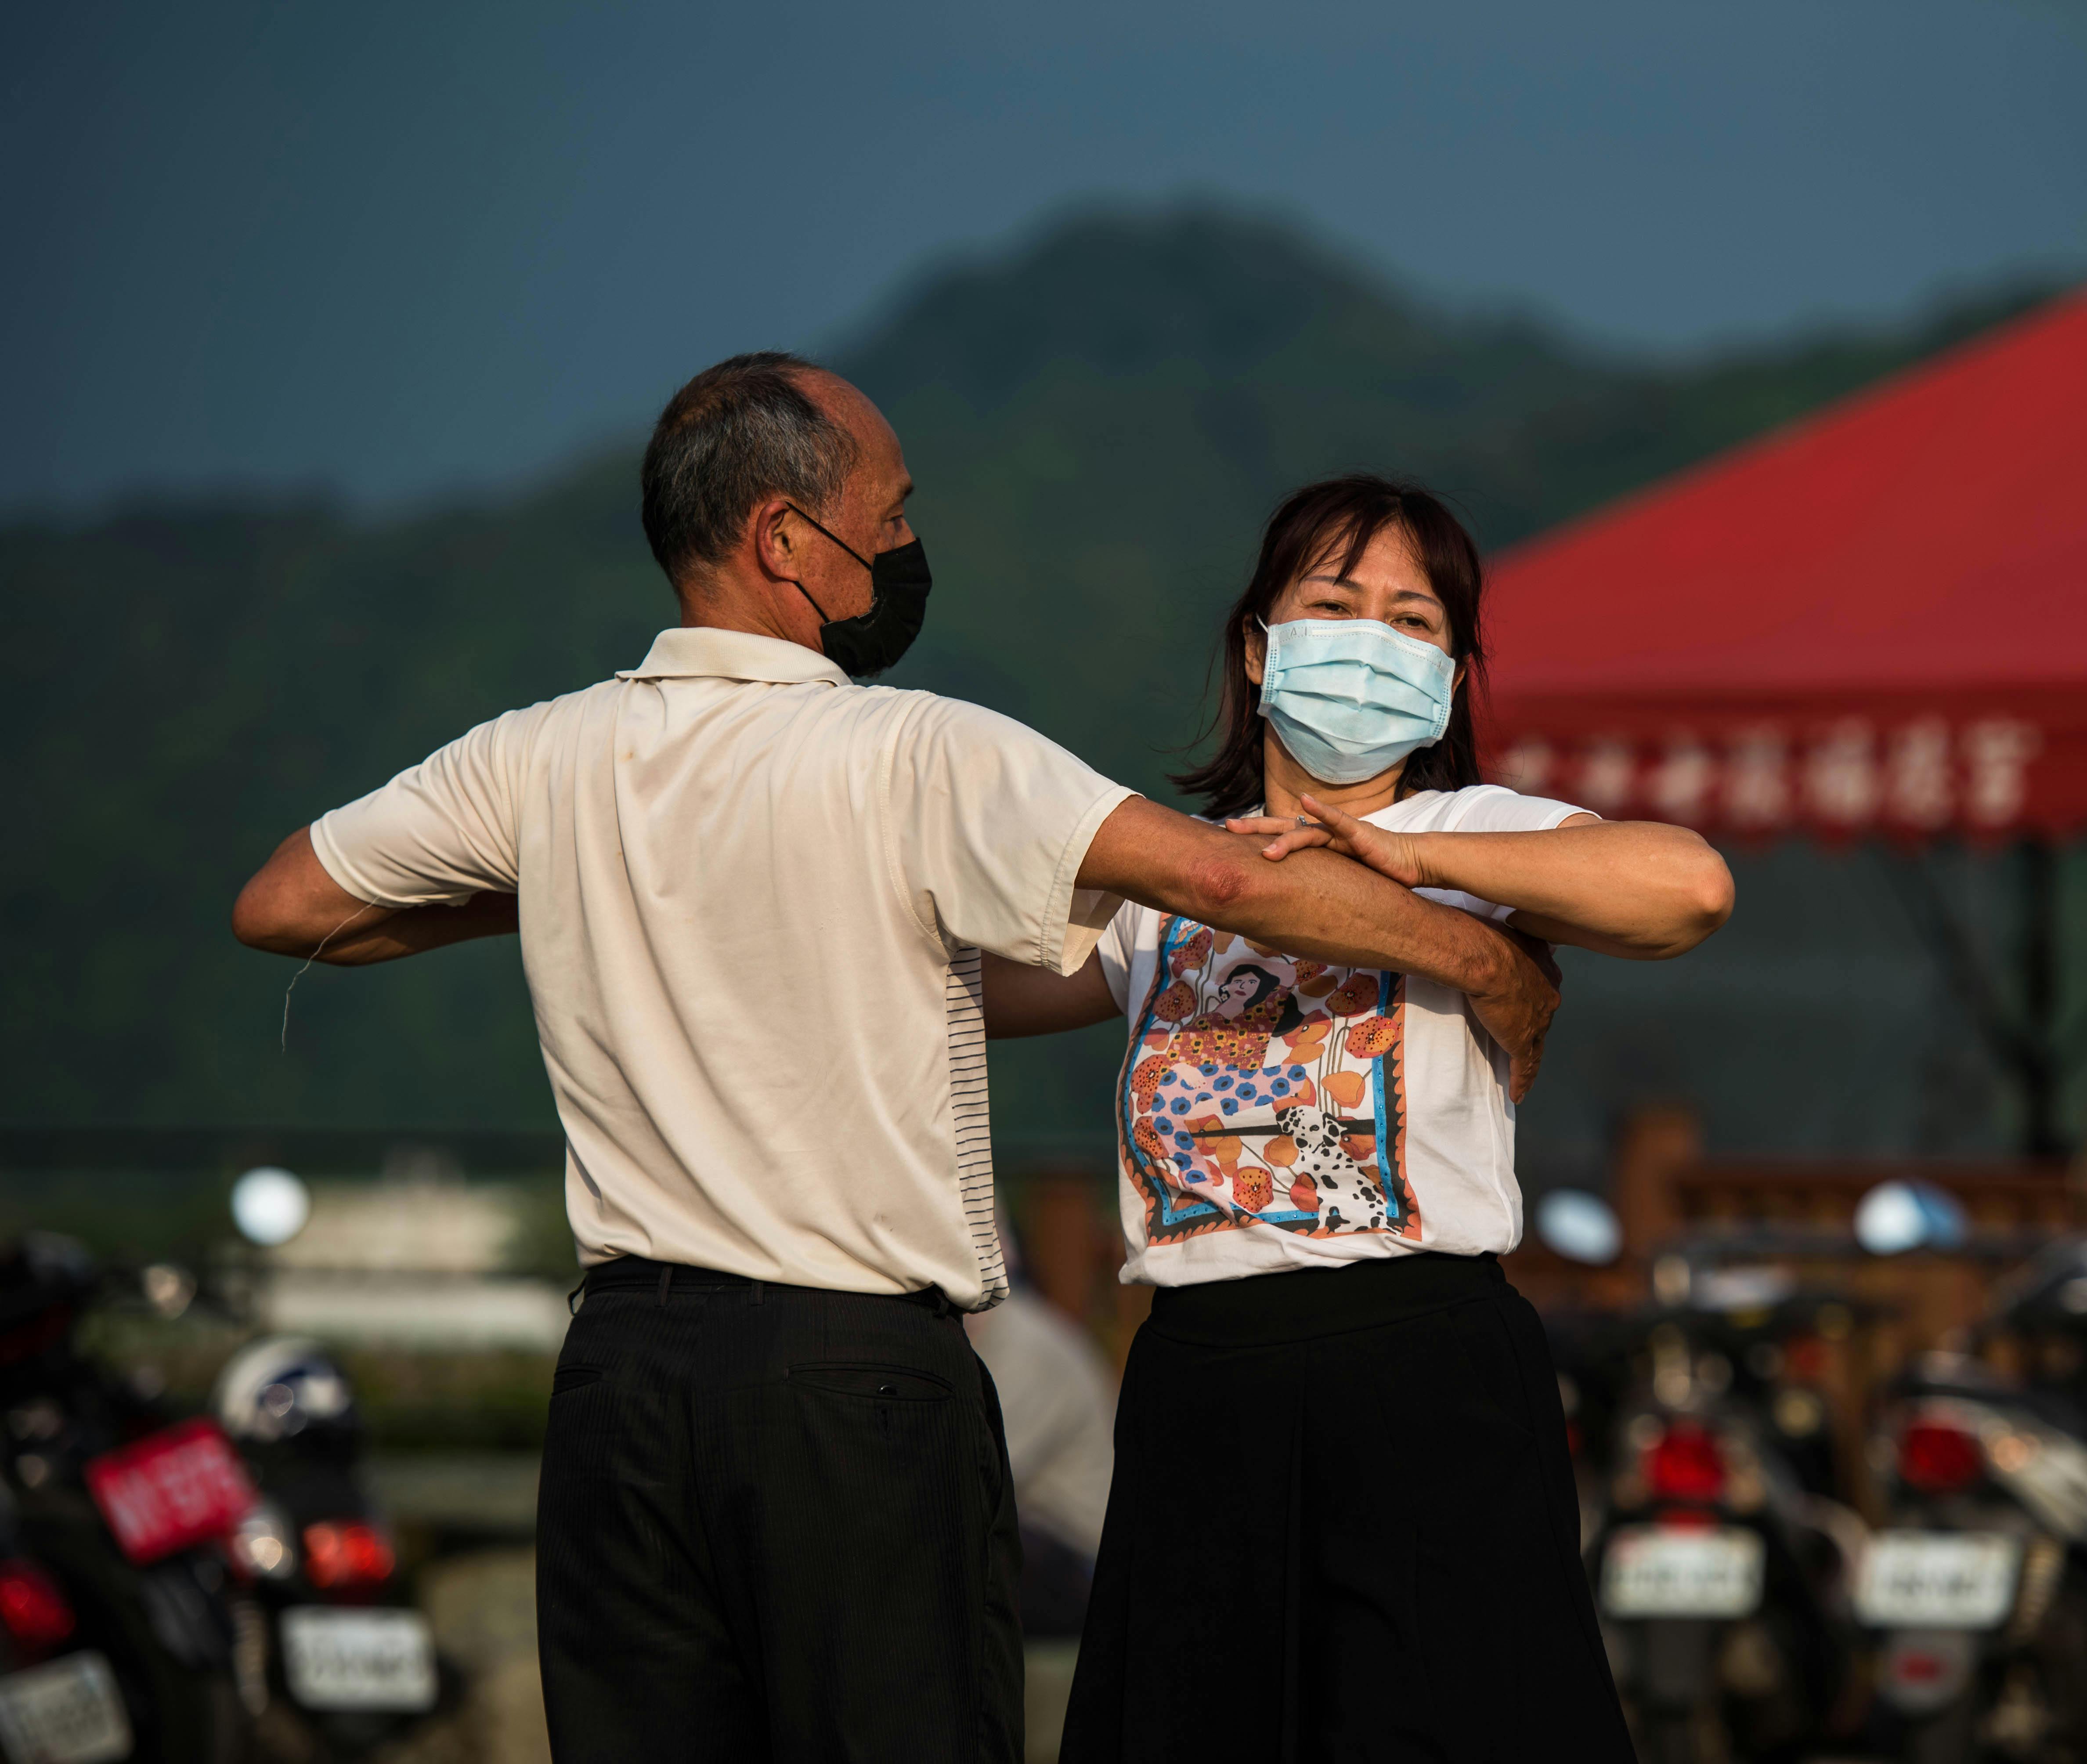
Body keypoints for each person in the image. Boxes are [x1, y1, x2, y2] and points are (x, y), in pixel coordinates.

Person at [228, 362, 1561, 1764]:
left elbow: (286, 906)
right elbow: (1221, 883)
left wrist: (567, 880)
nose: (912, 544)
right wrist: (1482, 961)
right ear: (789, 542)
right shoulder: (921, 752)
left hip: (621, 1376)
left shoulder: (540, 758)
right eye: (894, 510)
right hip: (850, 1380)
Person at [982, 475, 1736, 1762]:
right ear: (1258, 645)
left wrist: (1414, 863)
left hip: (1420, 1367)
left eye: (1415, 622)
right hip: (1201, 1378)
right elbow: (967, 986)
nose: (1373, 642)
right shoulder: (1175, 878)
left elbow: (1688, 889)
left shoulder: (1479, 837)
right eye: (1336, 605)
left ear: (1450, 678)